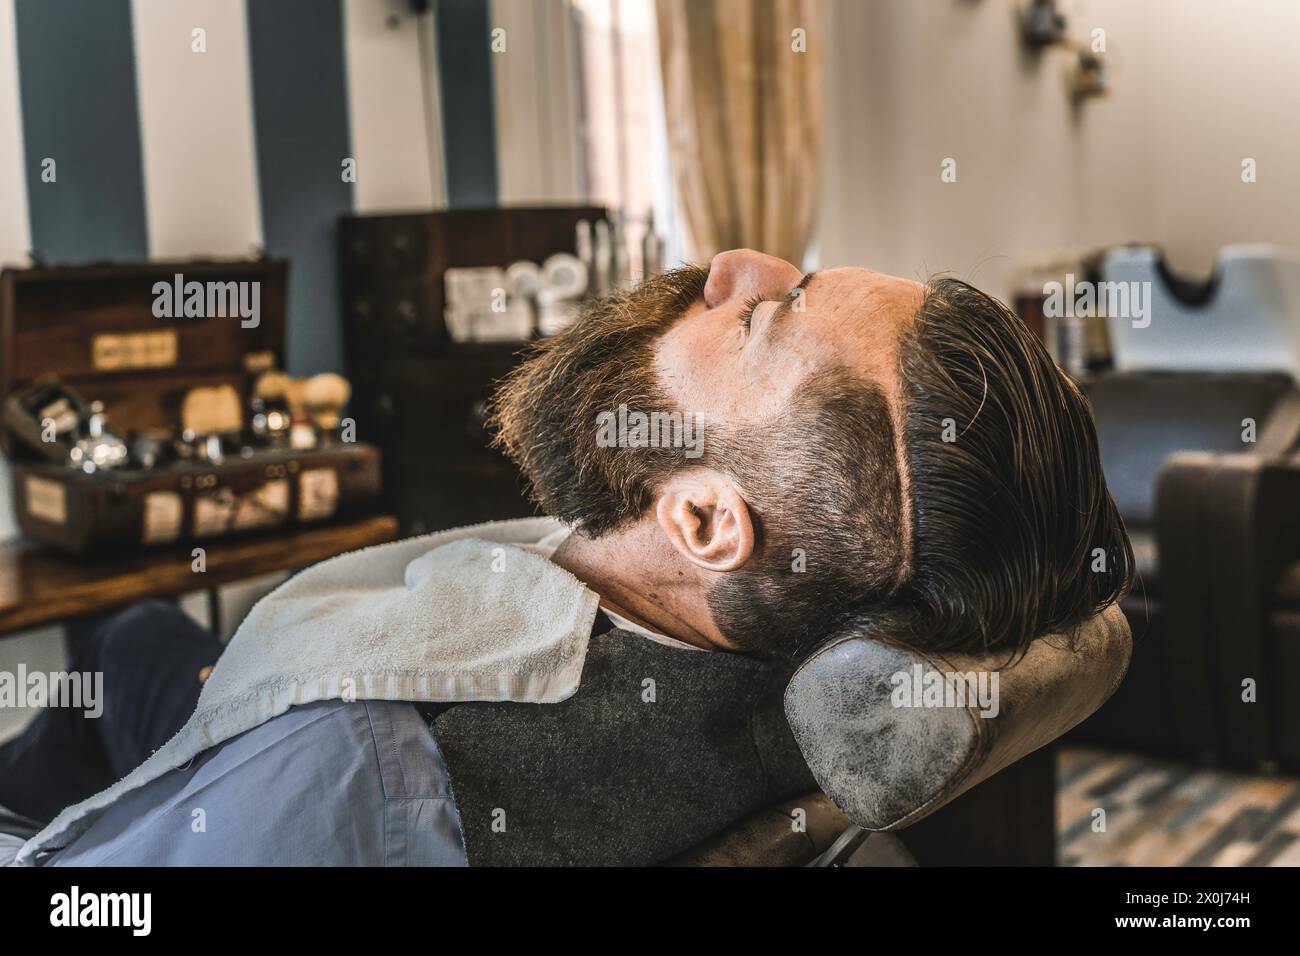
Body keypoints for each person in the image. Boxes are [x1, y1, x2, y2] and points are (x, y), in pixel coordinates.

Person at [1, 249, 1132, 866]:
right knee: (136, 645)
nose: (735, 263)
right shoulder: (810, 651)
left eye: (761, 318)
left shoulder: (358, 753)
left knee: (121, 648)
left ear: (700, 523)